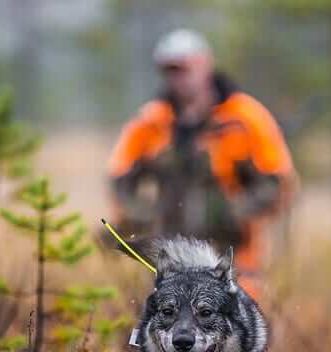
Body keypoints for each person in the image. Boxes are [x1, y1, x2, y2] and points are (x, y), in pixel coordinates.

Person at [107, 28, 296, 298]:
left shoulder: (244, 117)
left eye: (183, 68)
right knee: (166, 335)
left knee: (243, 333)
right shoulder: (152, 121)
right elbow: (119, 175)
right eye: (169, 70)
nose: (176, 78)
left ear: (205, 63)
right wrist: (141, 214)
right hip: (170, 263)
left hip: (234, 261)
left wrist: (237, 211)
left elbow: (279, 180)